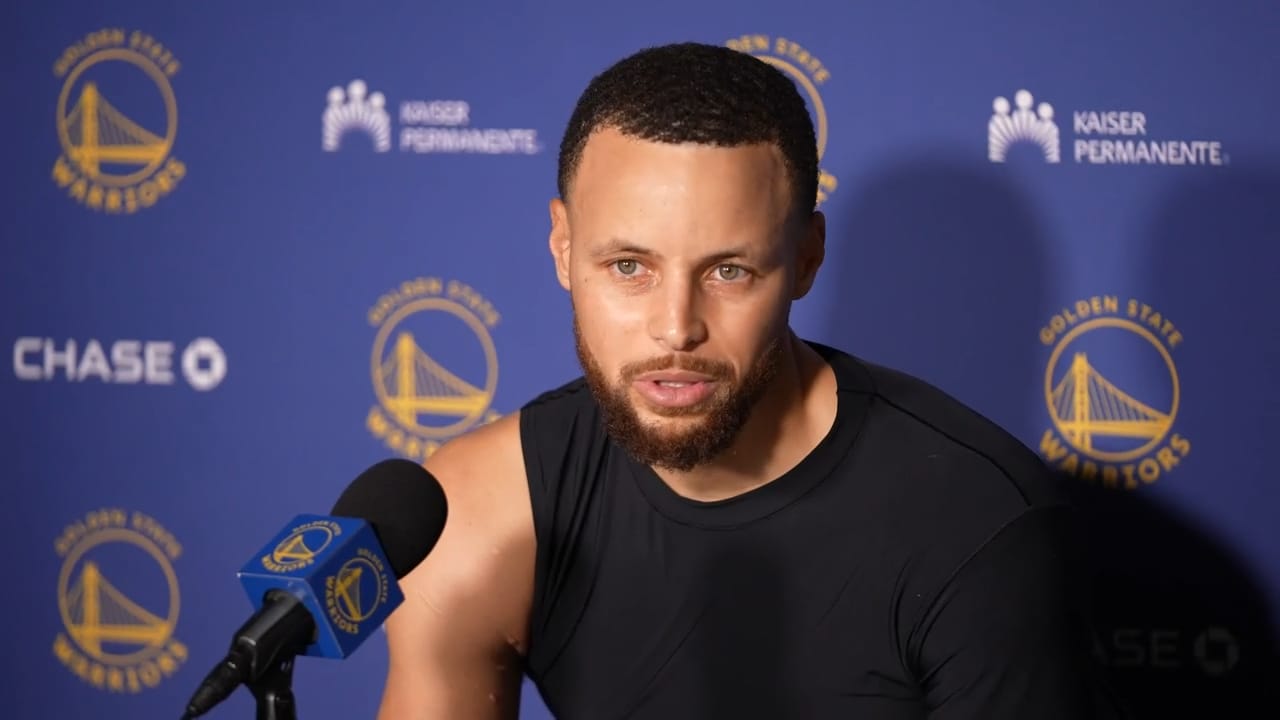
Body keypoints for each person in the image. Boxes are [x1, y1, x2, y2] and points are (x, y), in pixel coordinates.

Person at [377, 41, 1124, 719]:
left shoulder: (975, 526)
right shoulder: (475, 513)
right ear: (563, 247)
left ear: (805, 259)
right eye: (629, 267)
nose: (676, 328)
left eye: (729, 271)